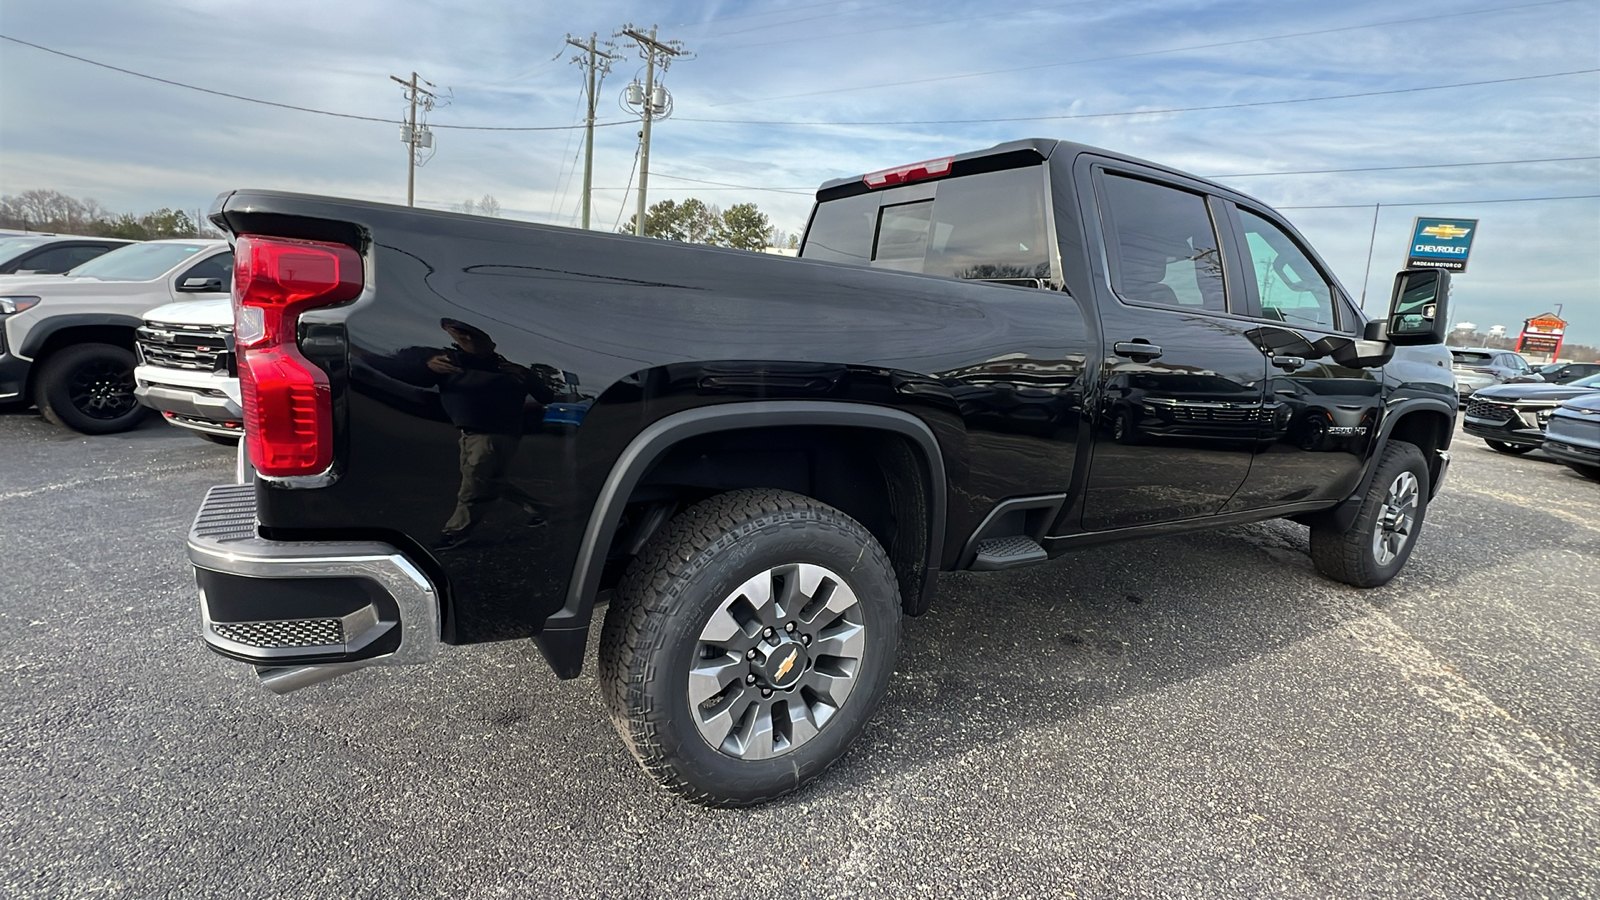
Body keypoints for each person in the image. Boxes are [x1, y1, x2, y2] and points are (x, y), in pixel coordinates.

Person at [426, 318, 553, 549]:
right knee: (490, 480)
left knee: (474, 486)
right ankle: (544, 510)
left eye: (471, 336)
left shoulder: (513, 371)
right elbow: (411, 373)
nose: (465, 340)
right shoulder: (453, 364)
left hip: (496, 434)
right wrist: (428, 365)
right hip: (468, 433)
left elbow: (546, 396)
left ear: (492, 344)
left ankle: (456, 532)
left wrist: (526, 378)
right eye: (459, 337)